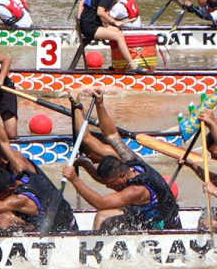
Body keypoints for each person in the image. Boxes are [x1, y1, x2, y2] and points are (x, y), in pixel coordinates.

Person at [62, 91, 182, 233]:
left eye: (111, 184)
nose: (108, 187)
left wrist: (75, 180)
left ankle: (96, 251)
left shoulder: (135, 191)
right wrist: (98, 104)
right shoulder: (130, 161)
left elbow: (100, 203)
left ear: (121, 176)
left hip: (163, 227)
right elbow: (112, 134)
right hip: (147, 214)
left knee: (102, 216)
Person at [0, 95, 77, 233]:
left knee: (5, 217)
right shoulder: (9, 179)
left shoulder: (19, 166)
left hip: (62, 225)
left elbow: (1, 141)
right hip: (41, 219)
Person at [76, 0, 142, 71]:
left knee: (116, 31)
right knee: (119, 36)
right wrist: (114, 21)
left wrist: (80, 19)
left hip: (88, 24)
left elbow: (84, 4)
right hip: (90, 27)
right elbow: (100, 12)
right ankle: (133, 65)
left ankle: (115, 63)